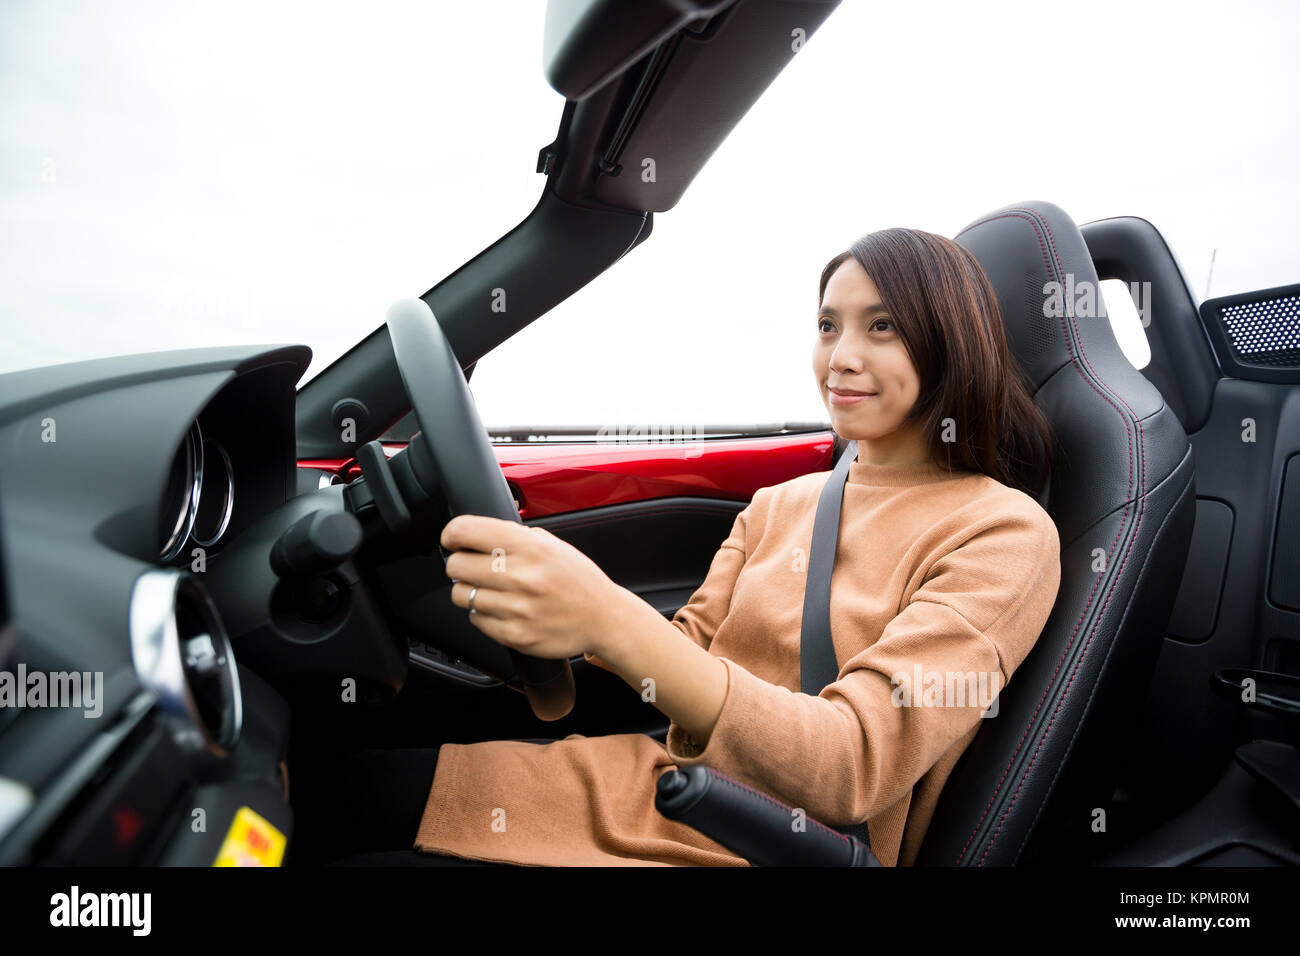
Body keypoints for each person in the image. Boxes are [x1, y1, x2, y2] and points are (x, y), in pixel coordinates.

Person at [303, 227, 1062, 867]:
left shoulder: (1002, 535)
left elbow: (849, 766)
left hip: (752, 843)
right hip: (639, 784)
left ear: (950, 341)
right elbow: (680, 661)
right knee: (303, 797)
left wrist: (606, 617)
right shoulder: (778, 506)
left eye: (882, 326)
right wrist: (544, 614)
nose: (841, 357)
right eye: (828, 325)